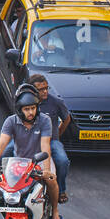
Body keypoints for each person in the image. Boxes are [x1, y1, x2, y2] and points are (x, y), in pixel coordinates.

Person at [0, 83, 61, 219]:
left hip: (40, 161)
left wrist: (46, 170)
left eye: (33, 108)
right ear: (20, 110)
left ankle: (55, 212)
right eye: (27, 109)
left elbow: (45, 146)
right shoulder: (10, 121)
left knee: (51, 181)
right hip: (18, 163)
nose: (31, 112)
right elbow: (2, 143)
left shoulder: (45, 121)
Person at [29, 73, 71, 202]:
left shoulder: (56, 102)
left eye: (46, 88)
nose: (45, 91)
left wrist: (57, 134)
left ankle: (61, 190)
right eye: (41, 89)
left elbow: (66, 119)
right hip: (30, 141)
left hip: (51, 141)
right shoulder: (27, 103)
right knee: (8, 151)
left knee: (63, 161)